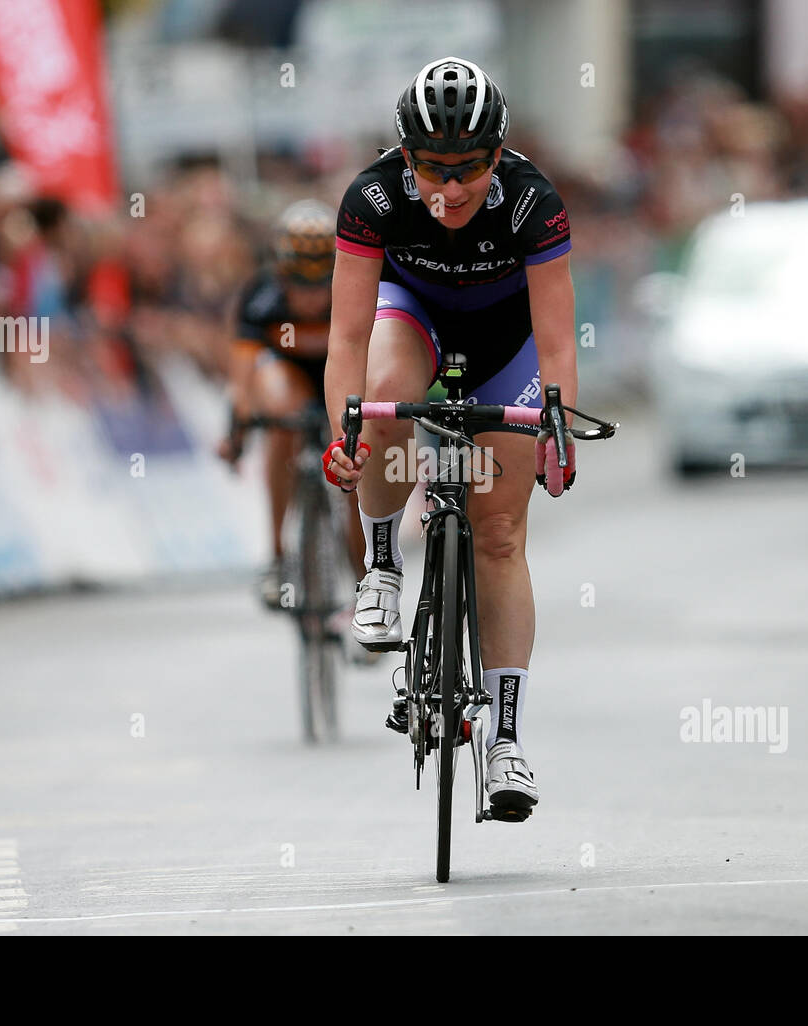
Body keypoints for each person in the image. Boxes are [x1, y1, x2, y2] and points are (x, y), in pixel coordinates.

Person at [322, 57, 578, 819]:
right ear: (406, 158)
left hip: (508, 342)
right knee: (385, 400)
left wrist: (558, 425)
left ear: (498, 156)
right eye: (434, 170)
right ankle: (380, 569)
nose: (452, 189)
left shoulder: (535, 203)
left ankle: (504, 744)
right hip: (416, 318)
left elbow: (559, 340)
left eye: (469, 170)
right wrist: (346, 430)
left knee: (499, 534)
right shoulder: (371, 199)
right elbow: (345, 339)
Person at [219, 199, 367, 606]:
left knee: (354, 472)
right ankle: (278, 556)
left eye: (319, 284)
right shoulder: (261, 297)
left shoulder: (352, 289)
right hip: (292, 380)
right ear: (281, 272)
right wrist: (236, 429)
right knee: (281, 419)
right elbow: (243, 374)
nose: (310, 297)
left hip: (343, 377)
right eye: (298, 284)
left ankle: (364, 579)